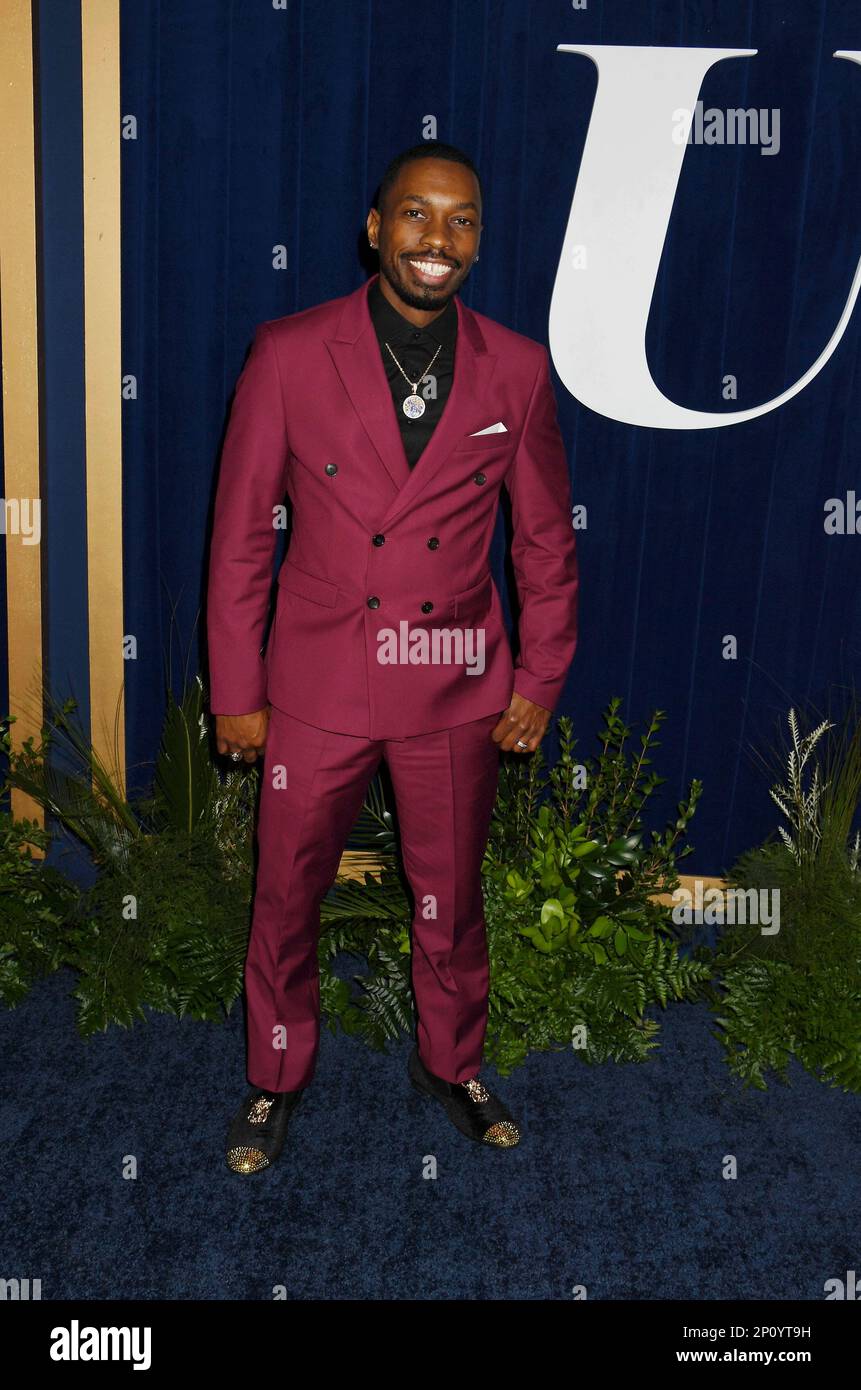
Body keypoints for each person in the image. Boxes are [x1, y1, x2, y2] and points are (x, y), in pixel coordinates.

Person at [206, 141, 579, 1174]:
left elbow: (544, 541)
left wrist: (538, 676)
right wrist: (237, 691)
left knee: (448, 898)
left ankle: (450, 1062)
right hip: (318, 680)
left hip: (455, 675)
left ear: (480, 240)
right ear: (376, 229)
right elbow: (241, 533)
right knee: (286, 893)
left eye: (461, 221)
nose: (437, 240)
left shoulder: (518, 366)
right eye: (417, 216)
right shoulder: (287, 351)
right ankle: (275, 1074)